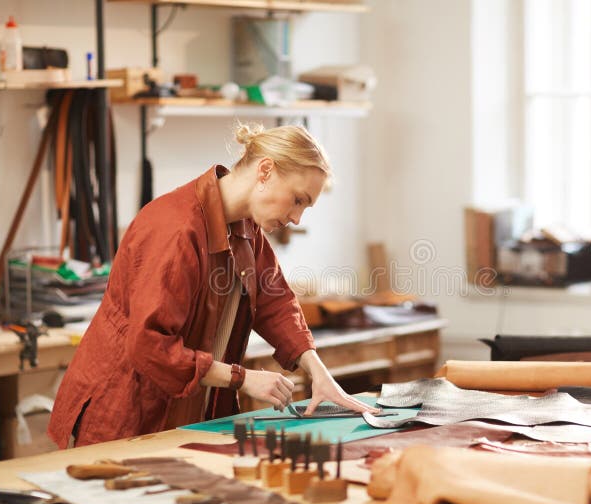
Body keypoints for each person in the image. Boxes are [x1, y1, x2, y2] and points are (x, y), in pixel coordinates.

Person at [48, 123, 377, 448]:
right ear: (265, 171)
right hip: (124, 412)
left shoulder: (246, 228)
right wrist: (242, 378)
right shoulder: (176, 230)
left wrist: (319, 374)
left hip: (184, 410)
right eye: (297, 200)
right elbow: (149, 345)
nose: (296, 218)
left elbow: (275, 303)